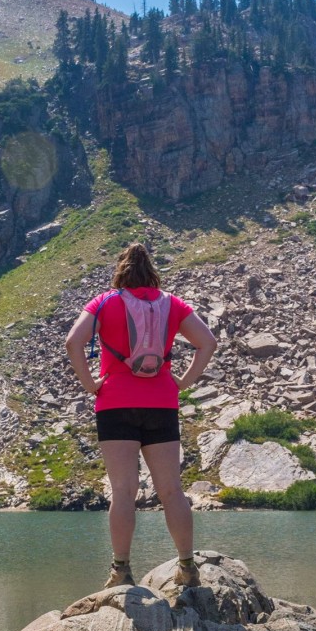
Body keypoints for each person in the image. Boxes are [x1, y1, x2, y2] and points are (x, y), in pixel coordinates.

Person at [65, 242, 218, 589]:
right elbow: (207, 342)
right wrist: (182, 382)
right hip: (161, 402)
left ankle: (121, 570)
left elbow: (73, 342)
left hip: (114, 402)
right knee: (172, 491)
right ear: (152, 272)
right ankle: (187, 566)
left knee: (123, 491)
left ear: (120, 271)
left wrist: (90, 384)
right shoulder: (171, 303)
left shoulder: (105, 302)